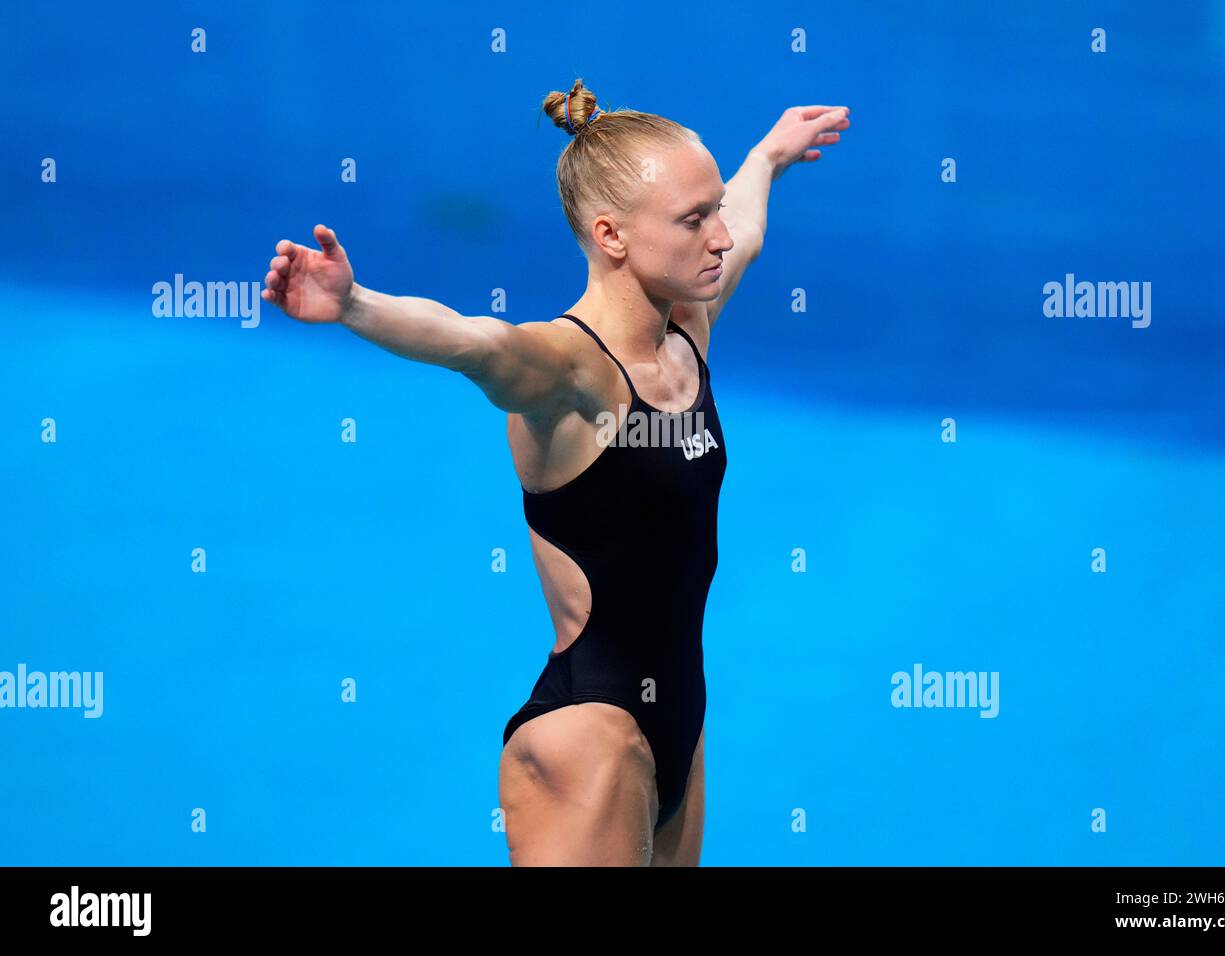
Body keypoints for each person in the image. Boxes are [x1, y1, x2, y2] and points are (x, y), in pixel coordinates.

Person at [261, 78, 849, 865]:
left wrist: (767, 156)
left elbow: (744, 230)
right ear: (611, 236)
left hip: (679, 721)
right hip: (588, 735)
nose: (716, 237)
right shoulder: (569, 373)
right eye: (691, 219)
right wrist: (356, 304)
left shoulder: (687, 333)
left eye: (710, 210)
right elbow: (476, 341)